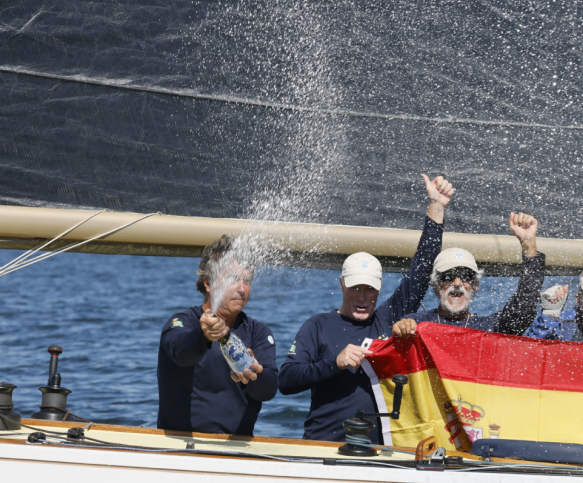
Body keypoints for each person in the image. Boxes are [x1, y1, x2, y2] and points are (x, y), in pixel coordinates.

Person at [278, 175, 454, 443]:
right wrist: (334, 363)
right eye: (355, 288)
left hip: (379, 453)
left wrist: (437, 206)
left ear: (380, 288)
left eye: (369, 289)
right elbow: (287, 380)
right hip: (324, 447)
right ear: (341, 285)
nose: (362, 297)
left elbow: (421, 271)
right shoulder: (318, 325)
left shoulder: (387, 319)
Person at [157, 235, 278, 435]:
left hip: (237, 449)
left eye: (247, 280)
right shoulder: (181, 323)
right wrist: (203, 336)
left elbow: (269, 389)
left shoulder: (258, 332)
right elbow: (181, 352)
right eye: (233, 279)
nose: (241, 288)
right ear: (208, 283)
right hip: (180, 446)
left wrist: (254, 377)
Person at [391, 213, 545, 338]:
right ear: (435, 285)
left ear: (476, 284)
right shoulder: (415, 325)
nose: (457, 283)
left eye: (466, 276)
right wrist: (399, 332)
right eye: (448, 276)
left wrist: (529, 246)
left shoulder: (490, 329)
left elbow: (523, 309)